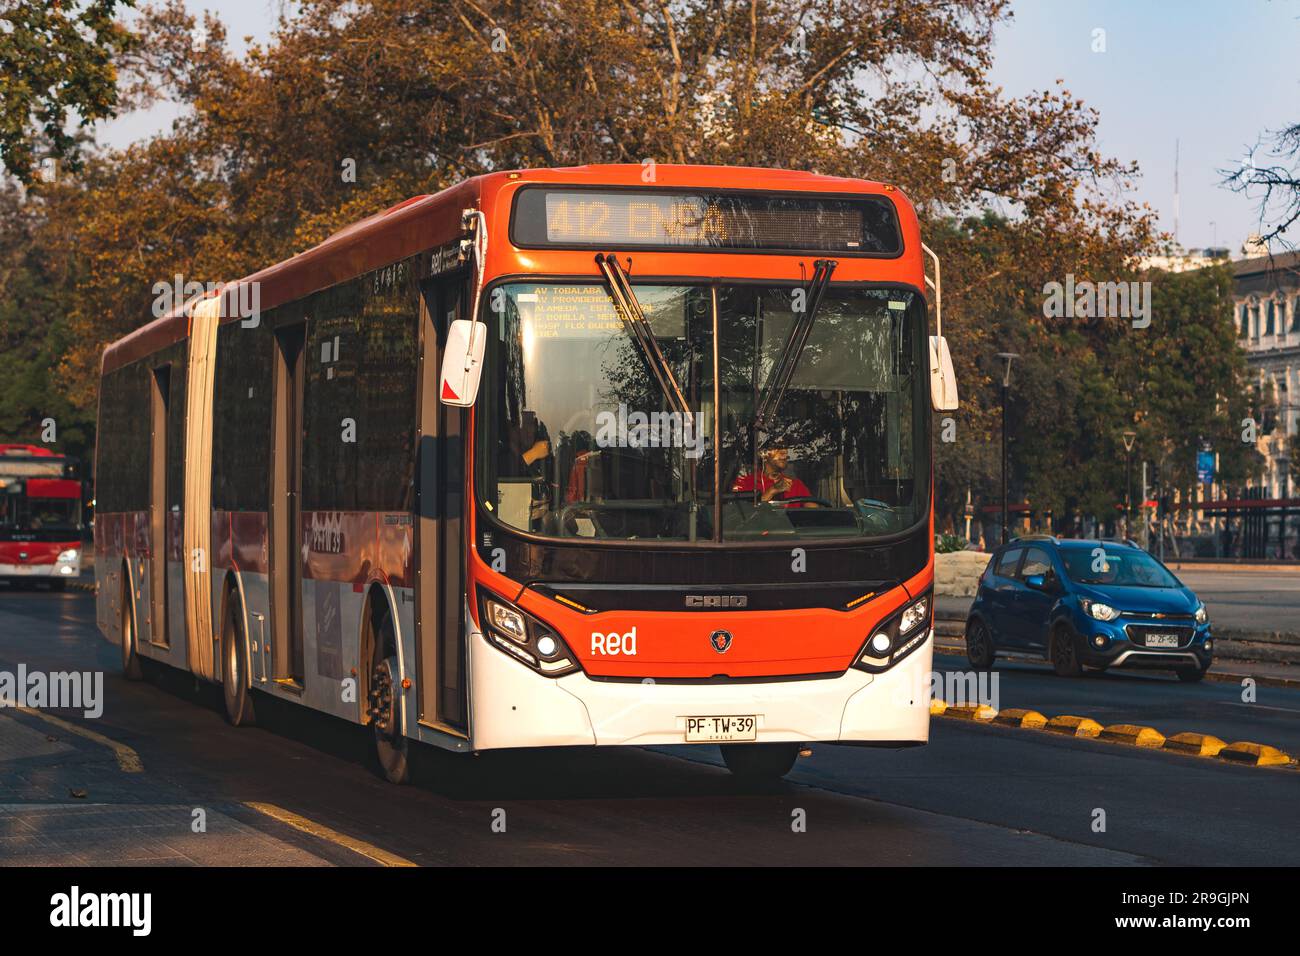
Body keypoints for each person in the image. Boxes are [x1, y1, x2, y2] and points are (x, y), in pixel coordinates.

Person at [732, 445, 816, 507]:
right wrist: (772, 491)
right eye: (778, 447)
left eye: (785, 447)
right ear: (763, 454)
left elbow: (814, 515)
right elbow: (741, 518)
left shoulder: (796, 485)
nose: (784, 452)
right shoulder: (744, 483)